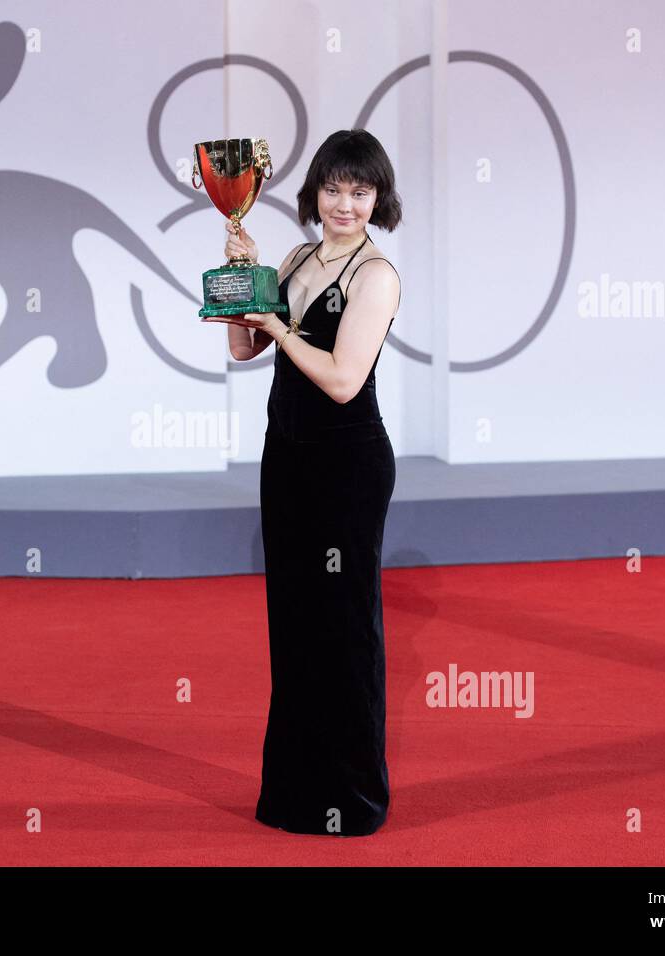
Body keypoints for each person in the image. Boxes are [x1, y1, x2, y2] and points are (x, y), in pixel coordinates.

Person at [203, 128, 403, 835]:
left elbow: (345, 381)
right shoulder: (296, 256)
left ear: (378, 199)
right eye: (334, 188)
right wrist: (244, 281)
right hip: (285, 456)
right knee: (293, 626)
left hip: (346, 465)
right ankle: (293, 793)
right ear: (314, 191)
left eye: (361, 191)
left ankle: (351, 800)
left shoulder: (376, 277)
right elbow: (242, 347)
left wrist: (281, 330)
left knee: (343, 628)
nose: (345, 204)